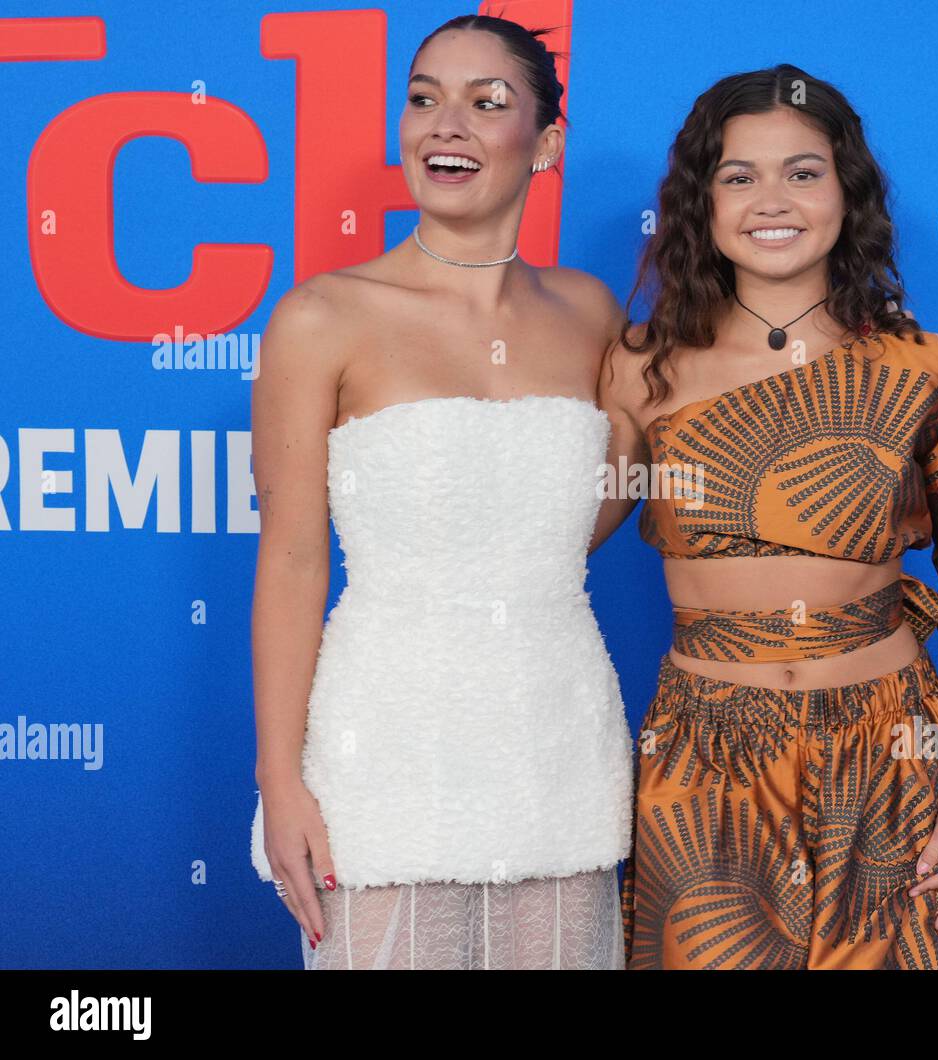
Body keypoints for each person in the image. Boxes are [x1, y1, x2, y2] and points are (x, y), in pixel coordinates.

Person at [596, 64, 938, 969]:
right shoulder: (637, 367)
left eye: (803, 172)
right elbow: (551, 540)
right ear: (701, 200)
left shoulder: (932, 369)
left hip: (895, 750)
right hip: (702, 759)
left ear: (847, 192)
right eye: (738, 176)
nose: (771, 200)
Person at [248, 14, 633, 970]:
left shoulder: (589, 313)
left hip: (559, 749)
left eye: (485, 103)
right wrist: (281, 780)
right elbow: (293, 559)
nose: (444, 125)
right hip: (385, 755)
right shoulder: (322, 317)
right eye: (423, 98)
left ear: (546, 144)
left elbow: (569, 526)